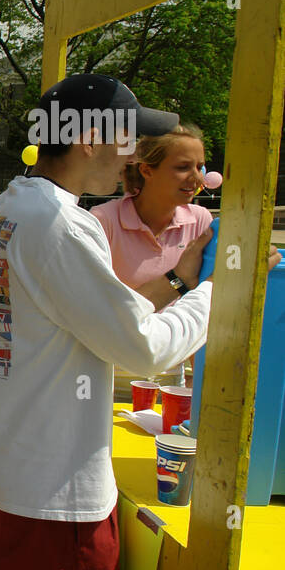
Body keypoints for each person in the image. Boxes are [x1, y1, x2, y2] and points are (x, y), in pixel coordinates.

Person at [0, 73, 227, 570]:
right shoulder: (60, 226)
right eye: (128, 140)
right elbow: (142, 347)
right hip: (54, 494)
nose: (133, 157)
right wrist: (220, 291)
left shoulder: (7, 207)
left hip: (5, 470)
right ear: (88, 138)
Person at [90, 124, 215, 398]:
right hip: (109, 376)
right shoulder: (102, 221)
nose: (196, 178)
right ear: (147, 170)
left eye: (200, 167)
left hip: (173, 379)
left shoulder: (201, 221)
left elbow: (203, 309)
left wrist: (201, 384)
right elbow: (106, 315)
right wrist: (177, 279)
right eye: (183, 167)